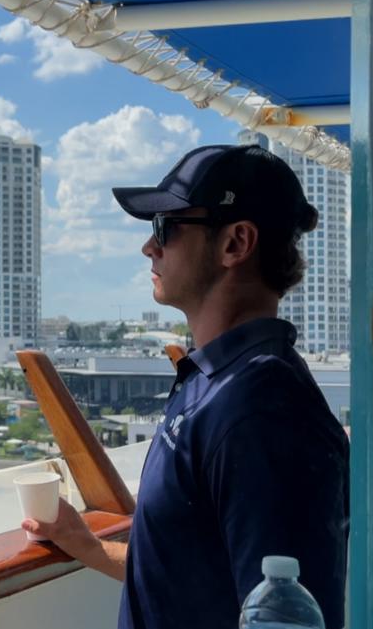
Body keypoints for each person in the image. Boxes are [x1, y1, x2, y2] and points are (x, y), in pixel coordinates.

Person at [22, 145, 350, 629]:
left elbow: (283, 614)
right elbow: (190, 573)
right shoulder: (218, 381)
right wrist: (89, 546)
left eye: (166, 227)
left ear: (235, 243)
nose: (149, 247)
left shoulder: (261, 411)